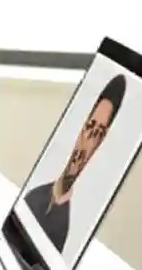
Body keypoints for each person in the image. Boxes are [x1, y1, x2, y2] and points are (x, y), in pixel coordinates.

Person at [22, 74, 126, 255]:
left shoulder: (72, 222)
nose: (89, 140)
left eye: (99, 133)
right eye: (90, 126)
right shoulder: (34, 196)